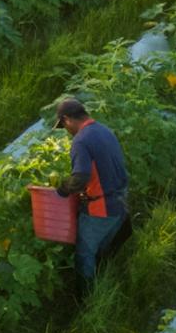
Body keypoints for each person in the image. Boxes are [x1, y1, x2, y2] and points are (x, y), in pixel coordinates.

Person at [54, 96, 130, 287]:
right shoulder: (104, 130)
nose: (67, 132)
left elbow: (80, 177)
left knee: (84, 254)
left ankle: (86, 298)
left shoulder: (81, 141)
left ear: (67, 119)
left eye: (64, 126)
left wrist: (62, 190)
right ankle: (108, 283)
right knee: (103, 250)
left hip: (101, 208)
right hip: (120, 201)